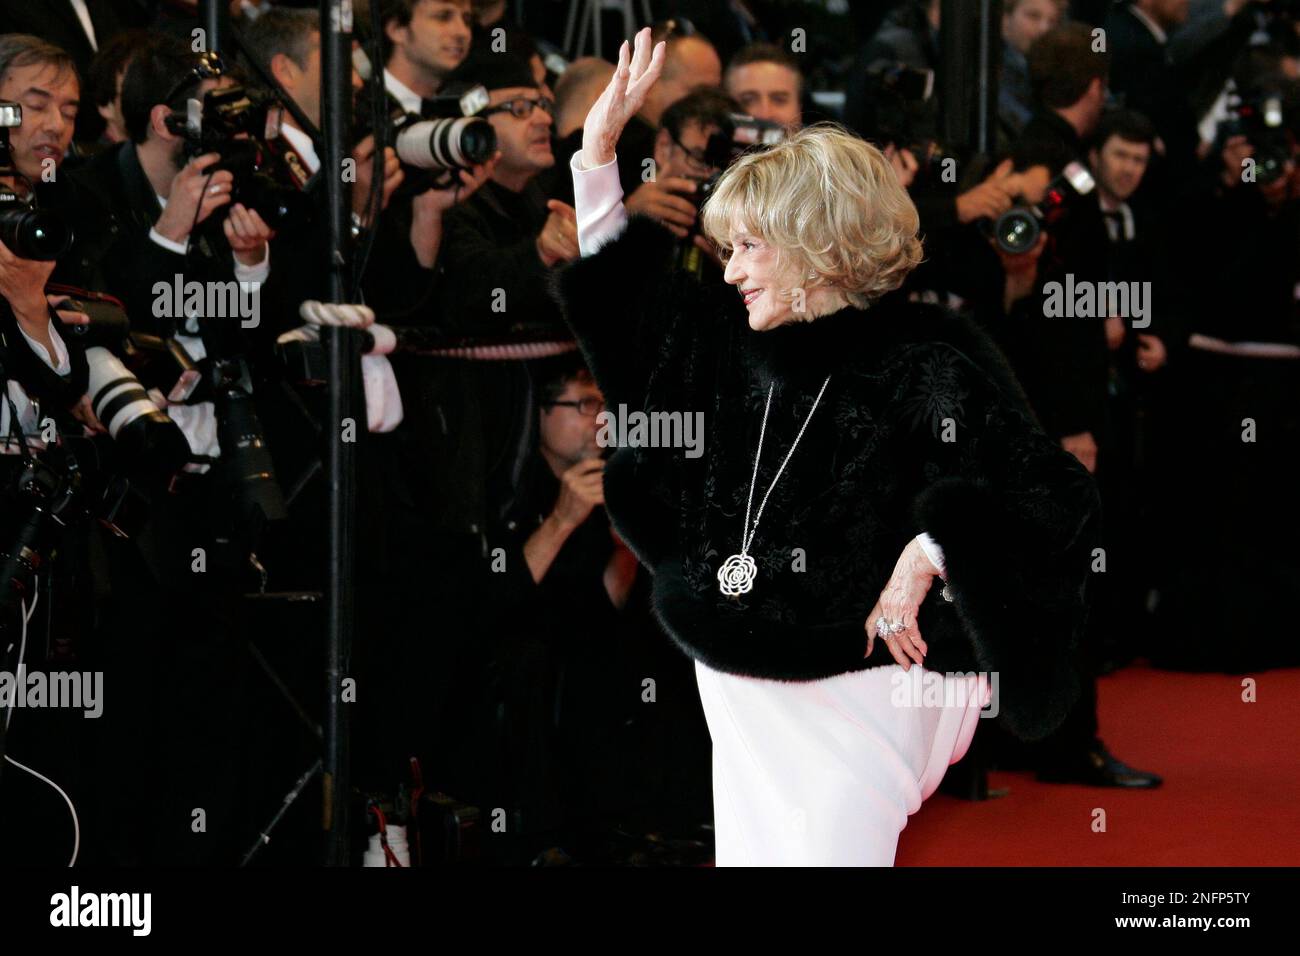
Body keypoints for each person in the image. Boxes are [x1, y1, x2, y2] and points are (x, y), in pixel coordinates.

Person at [552, 29, 1103, 866]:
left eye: (747, 247)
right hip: (740, 675)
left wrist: (931, 550)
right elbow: (631, 327)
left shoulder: (926, 359)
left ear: (817, 246)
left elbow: (1051, 496)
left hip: (866, 687)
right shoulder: (734, 349)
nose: (730, 271)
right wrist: (597, 159)